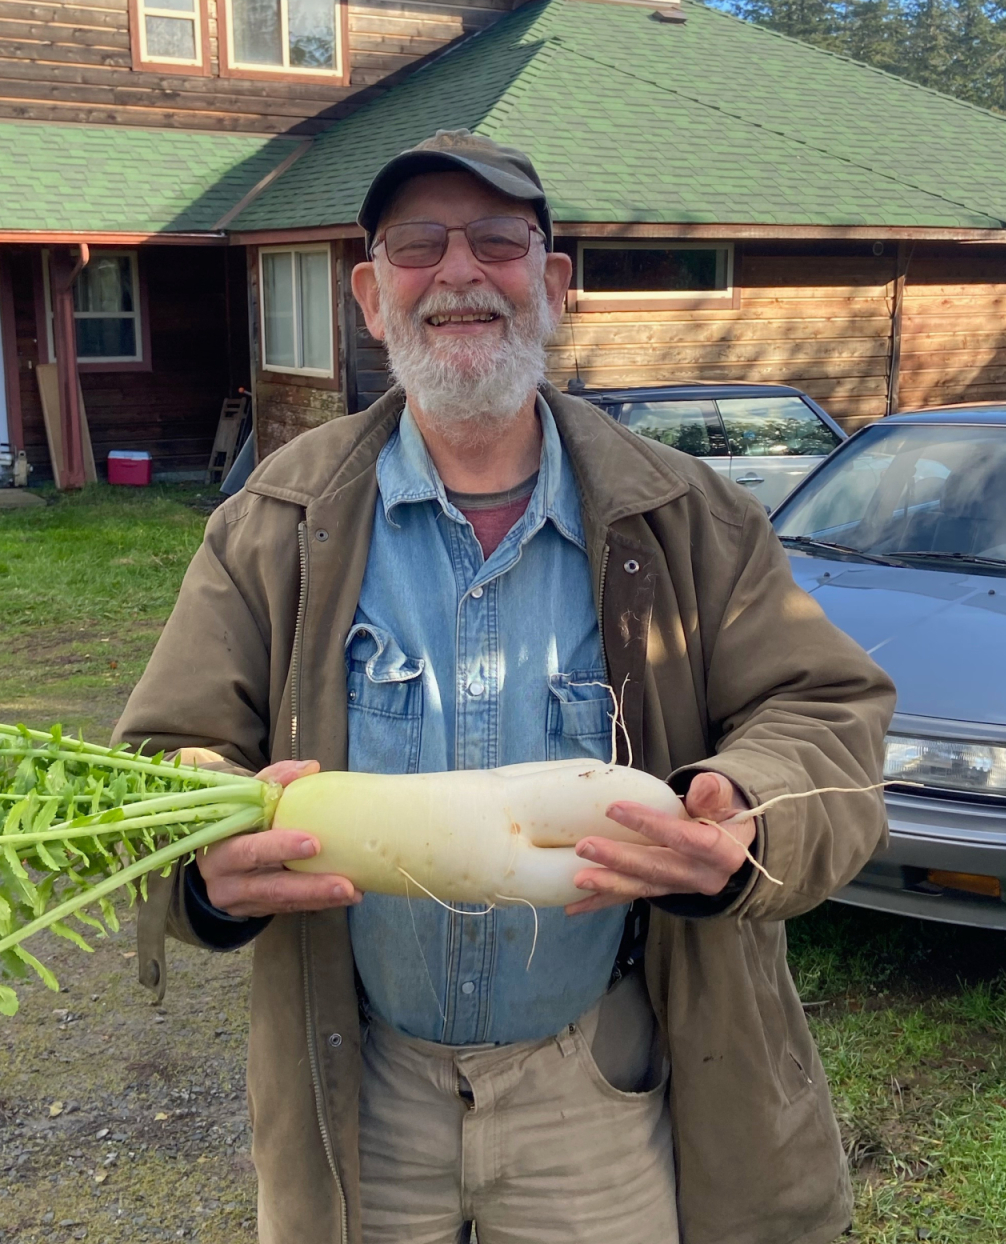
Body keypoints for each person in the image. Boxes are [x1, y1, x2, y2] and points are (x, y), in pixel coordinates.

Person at [114, 129, 895, 1244]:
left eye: (497, 240)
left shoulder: (689, 517)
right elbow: (162, 757)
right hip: (362, 1089)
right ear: (370, 296)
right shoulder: (274, 524)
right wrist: (203, 865)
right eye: (417, 244)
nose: (459, 272)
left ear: (554, 284)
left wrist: (750, 807)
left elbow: (827, 710)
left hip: (597, 1086)